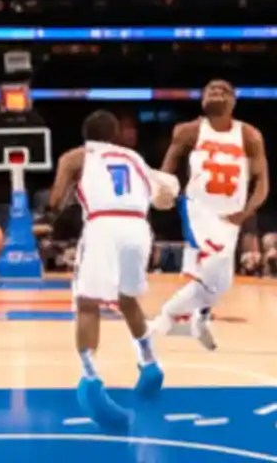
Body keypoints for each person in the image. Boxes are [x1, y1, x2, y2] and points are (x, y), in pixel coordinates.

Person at [46, 110, 172, 429]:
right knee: (127, 299)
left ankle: (89, 379)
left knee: (87, 303)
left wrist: (59, 206)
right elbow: (163, 196)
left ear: (85, 134)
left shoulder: (76, 156)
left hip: (104, 226)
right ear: (115, 134)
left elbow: (56, 199)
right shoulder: (135, 158)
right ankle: (149, 362)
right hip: (139, 229)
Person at [148, 80, 269, 350]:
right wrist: (162, 190)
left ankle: (200, 319)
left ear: (234, 101)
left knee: (222, 283)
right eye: (210, 90)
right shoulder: (188, 131)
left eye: (223, 90)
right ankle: (165, 317)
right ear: (202, 98)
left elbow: (262, 183)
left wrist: (244, 214)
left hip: (230, 216)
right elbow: (168, 170)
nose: (216, 93)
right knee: (211, 267)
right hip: (198, 210)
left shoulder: (249, 135)